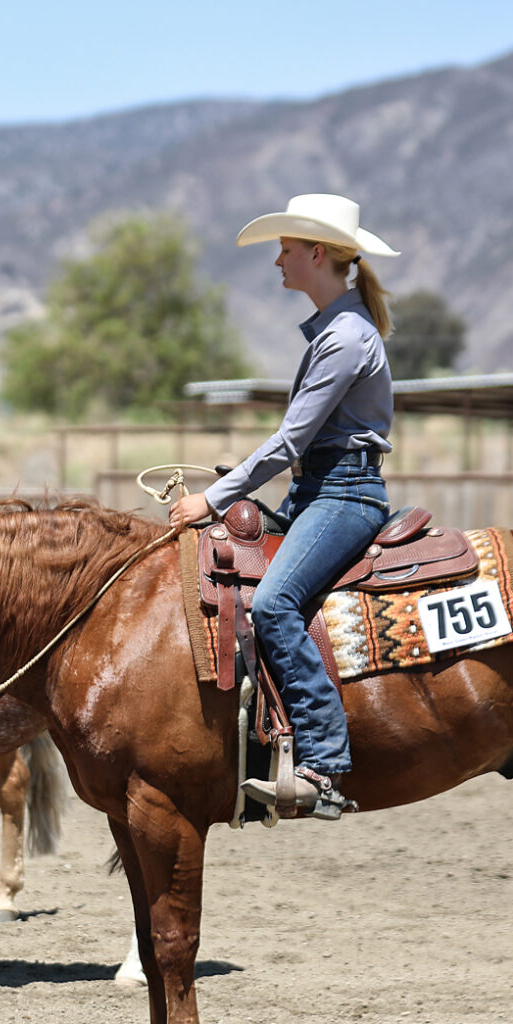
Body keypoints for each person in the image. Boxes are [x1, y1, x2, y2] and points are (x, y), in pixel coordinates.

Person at [166, 193, 398, 821]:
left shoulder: (346, 337)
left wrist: (212, 497)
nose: (277, 261)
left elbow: (292, 441)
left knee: (273, 601)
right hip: (318, 489)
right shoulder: (335, 331)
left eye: (287, 250)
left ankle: (322, 761)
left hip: (344, 495)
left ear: (316, 254)